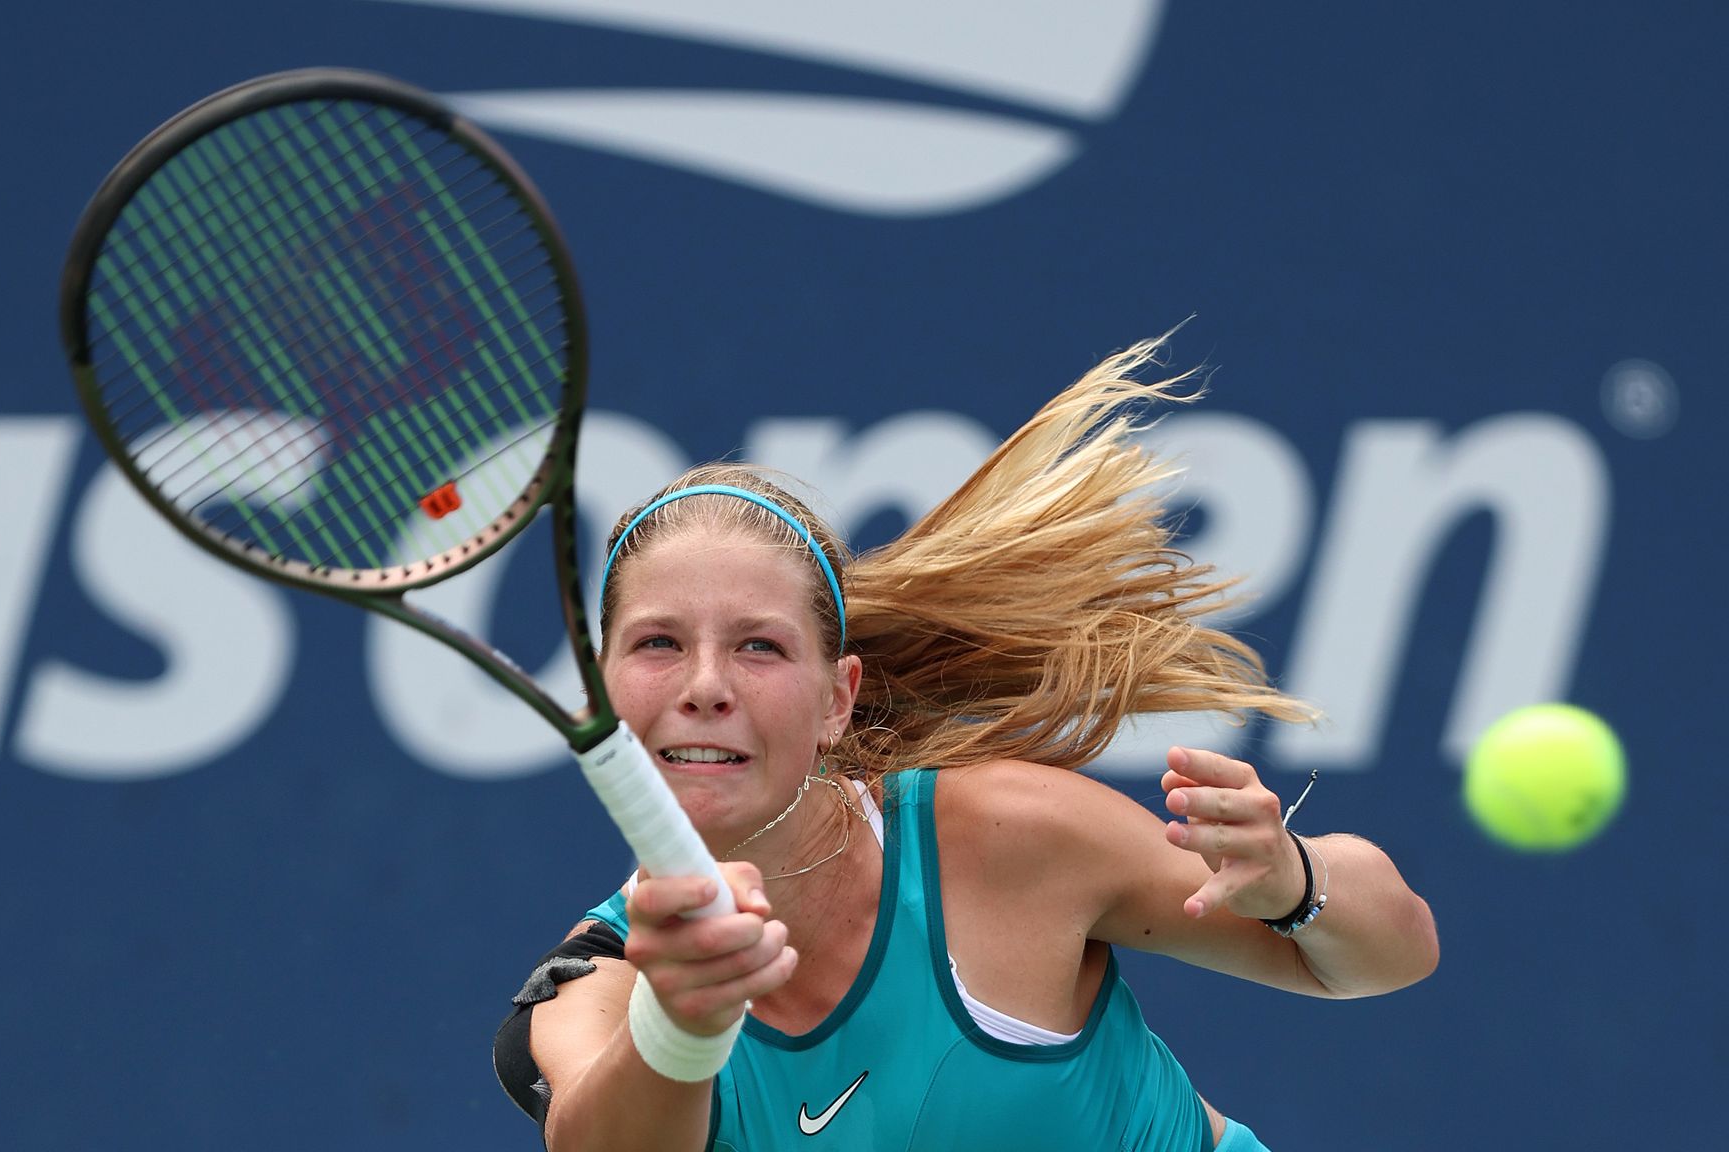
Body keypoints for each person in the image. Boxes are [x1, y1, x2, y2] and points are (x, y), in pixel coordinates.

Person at [492, 336, 1439, 1151]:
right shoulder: (594, 990)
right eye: (659, 643)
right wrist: (683, 1021)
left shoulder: (999, 836)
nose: (704, 688)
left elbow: (1393, 955)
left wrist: (1293, 880)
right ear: (604, 691)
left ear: (837, 699)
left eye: (759, 647)